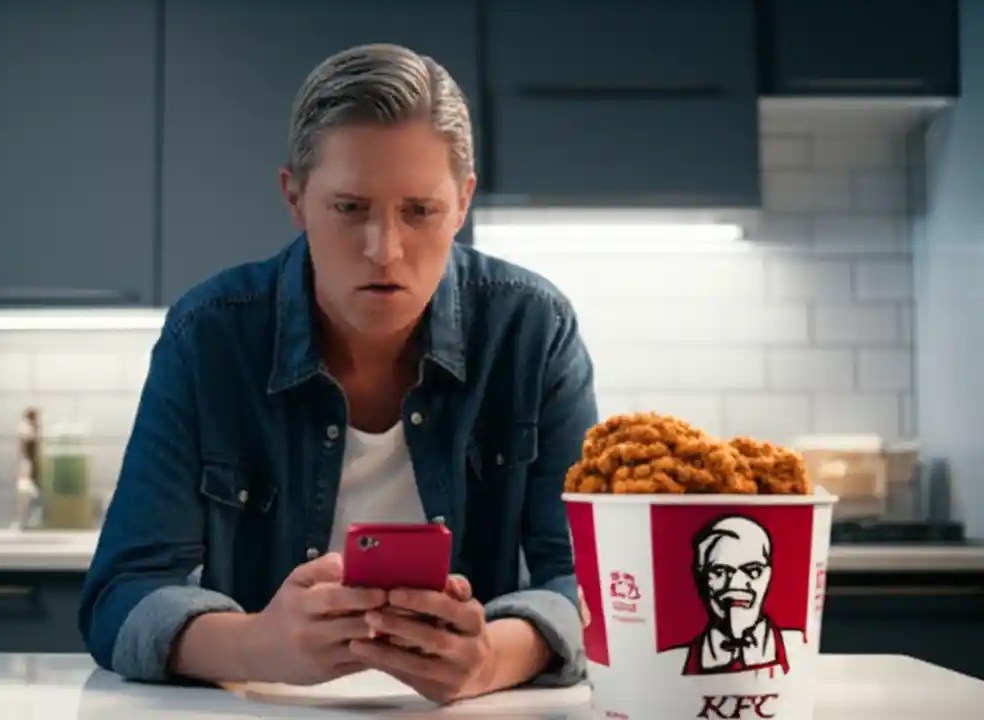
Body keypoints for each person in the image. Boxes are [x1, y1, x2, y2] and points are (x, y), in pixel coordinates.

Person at [79, 43, 598, 704]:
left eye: (420, 210)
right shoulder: (209, 335)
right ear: (295, 198)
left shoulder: (534, 330)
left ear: (463, 202)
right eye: (350, 208)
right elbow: (120, 595)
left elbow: (592, 583)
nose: (385, 249)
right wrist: (256, 644)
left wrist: (488, 659)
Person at [672, 515, 804, 676]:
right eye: (720, 572)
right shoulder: (669, 663)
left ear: (768, 575)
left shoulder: (800, 647)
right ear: (702, 577)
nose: (735, 585)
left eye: (753, 570)